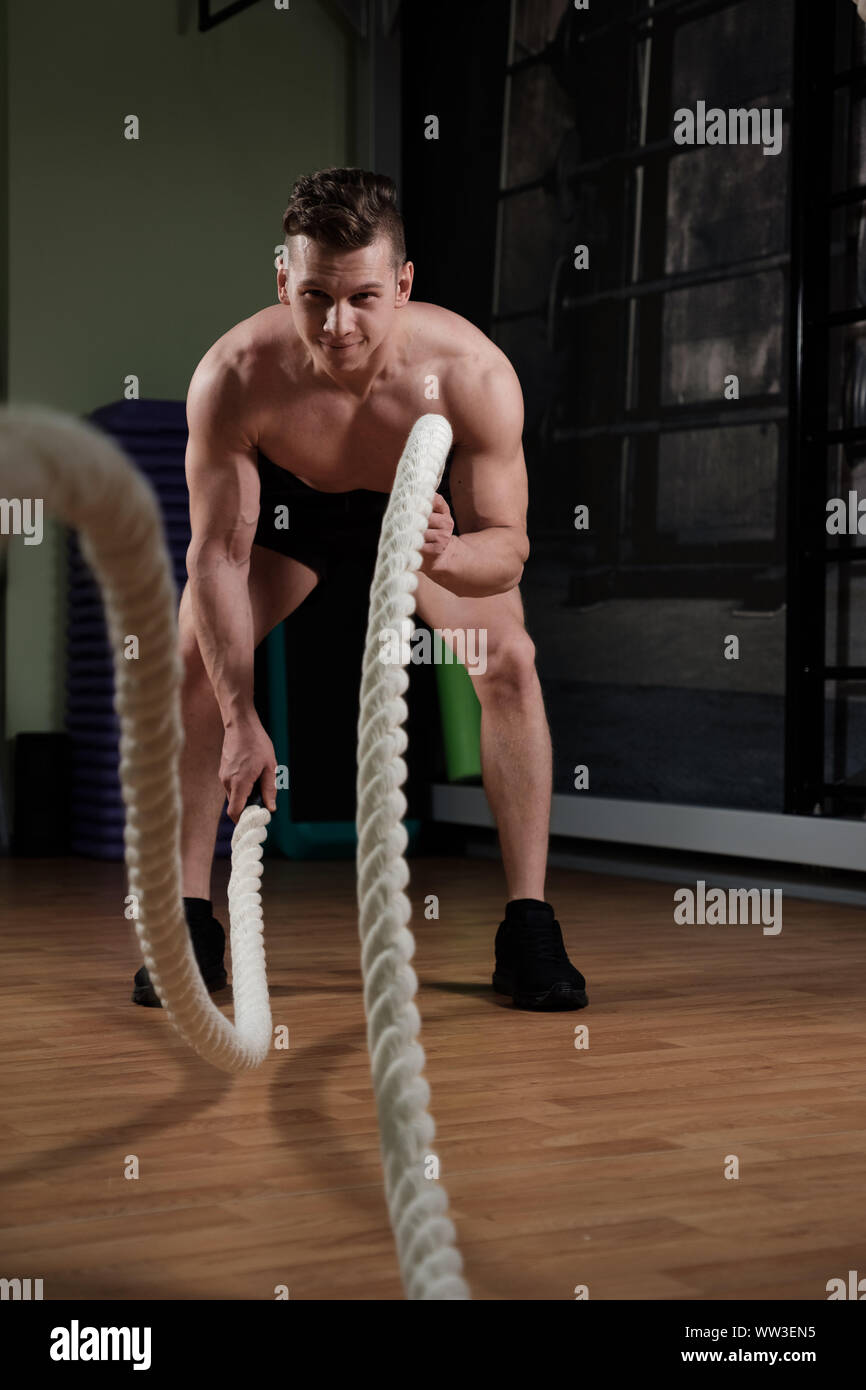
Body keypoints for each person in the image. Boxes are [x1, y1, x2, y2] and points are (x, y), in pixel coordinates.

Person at [132, 167, 586, 1013]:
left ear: (404, 286)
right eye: (315, 297)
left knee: (512, 664)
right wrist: (242, 723)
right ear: (282, 281)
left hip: (419, 520)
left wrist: (447, 557)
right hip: (293, 516)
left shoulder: (472, 375)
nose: (339, 325)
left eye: (365, 298)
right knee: (191, 659)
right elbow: (219, 558)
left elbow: (511, 552)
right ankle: (191, 918)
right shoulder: (233, 374)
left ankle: (528, 924)